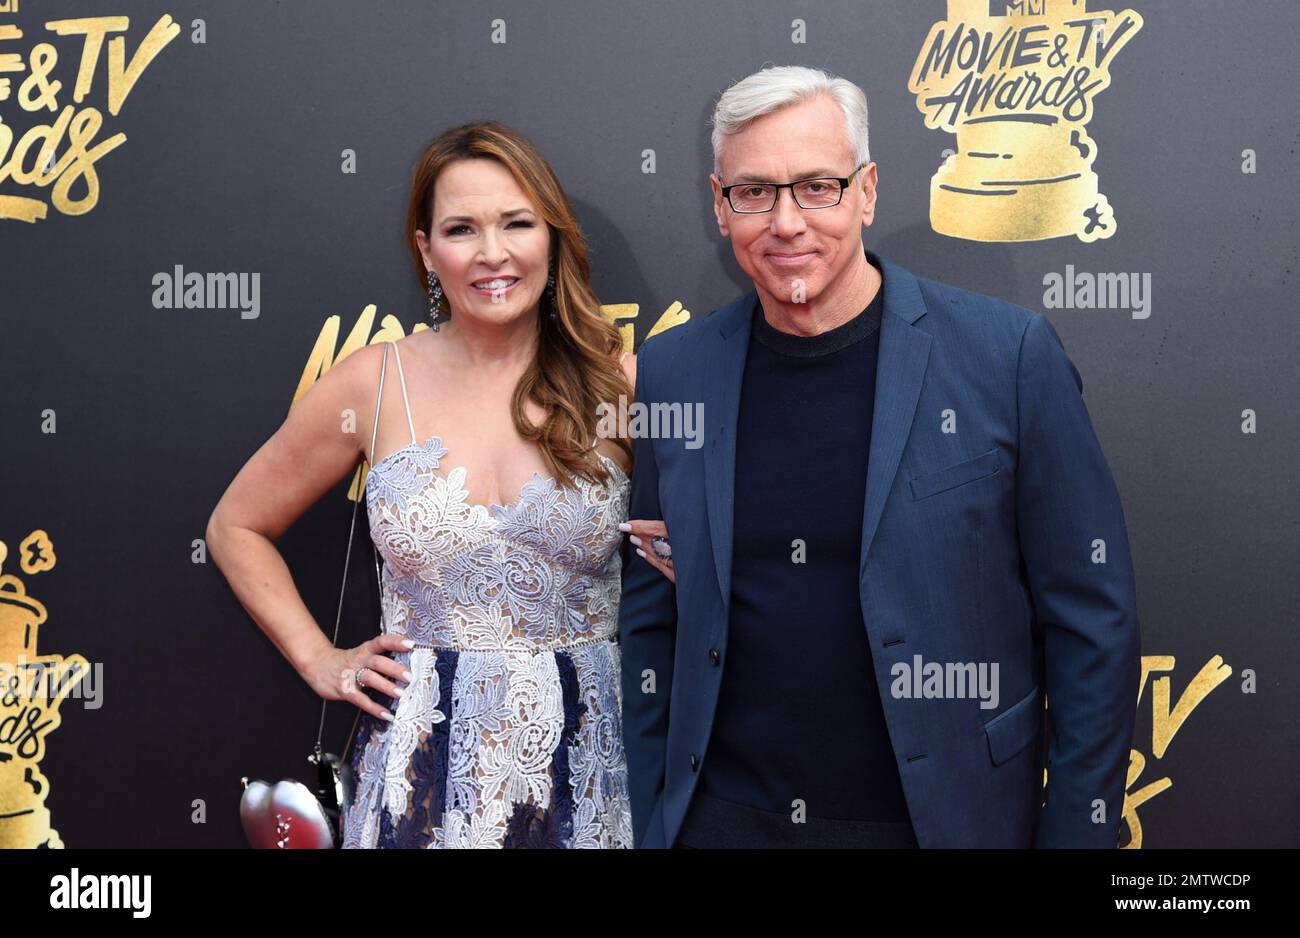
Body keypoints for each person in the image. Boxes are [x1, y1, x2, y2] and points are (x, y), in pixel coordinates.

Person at [618, 66, 1141, 848]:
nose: (786, 222)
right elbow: (651, 625)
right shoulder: (674, 371)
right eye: (754, 192)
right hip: (723, 824)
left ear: (866, 191)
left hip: (942, 821)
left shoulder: (1007, 356)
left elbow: (1092, 625)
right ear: (720, 208)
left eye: (817, 187)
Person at [207, 120, 640, 848]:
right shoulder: (376, 384)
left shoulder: (617, 383)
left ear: (553, 238)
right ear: (426, 250)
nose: (492, 253)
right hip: (416, 777)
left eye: (517, 223)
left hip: (593, 770)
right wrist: (323, 659)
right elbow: (236, 526)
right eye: (461, 228)